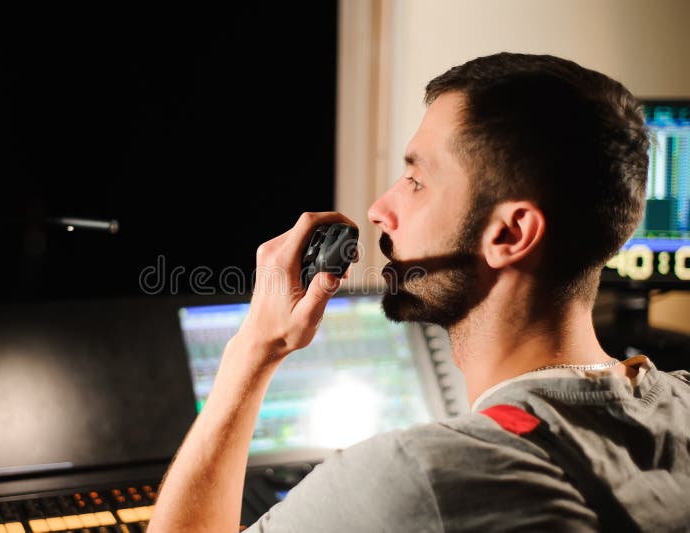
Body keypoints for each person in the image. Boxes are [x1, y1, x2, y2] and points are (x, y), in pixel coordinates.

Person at [148, 52, 690, 532]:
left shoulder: (420, 477)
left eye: (416, 181)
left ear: (510, 234)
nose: (379, 210)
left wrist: (254, 348)